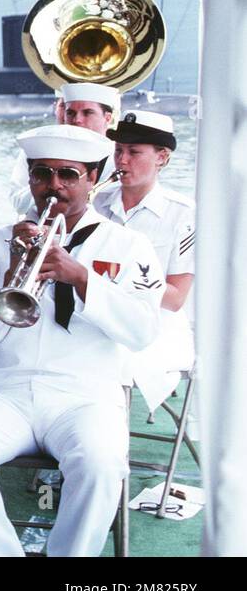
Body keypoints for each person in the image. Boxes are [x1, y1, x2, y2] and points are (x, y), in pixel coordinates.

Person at [0, 125, 163, 556]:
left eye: (68, 174)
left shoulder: (129, 245)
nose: (53, 186)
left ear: (94, 177)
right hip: (9, 393)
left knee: (101, 462)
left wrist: (82, 278)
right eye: (42, 173)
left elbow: (143, 331)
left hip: (86, 396)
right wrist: (9, 273)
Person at [93, 111, 195, 412]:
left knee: (104, 360)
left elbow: (176, 298)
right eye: (119, 151)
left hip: (157, 325)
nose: (122, 161)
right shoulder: (95, 203)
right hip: (98, 315)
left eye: (134, 152)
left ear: (162, 157)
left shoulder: (183, 214)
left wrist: (115, 281)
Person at [9, 83, 119, 217]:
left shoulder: (120, 157)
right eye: (70, 113)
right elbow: (18, 203)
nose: (77, 120)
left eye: (87, 113)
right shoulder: (37, 149)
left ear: (108, 118)